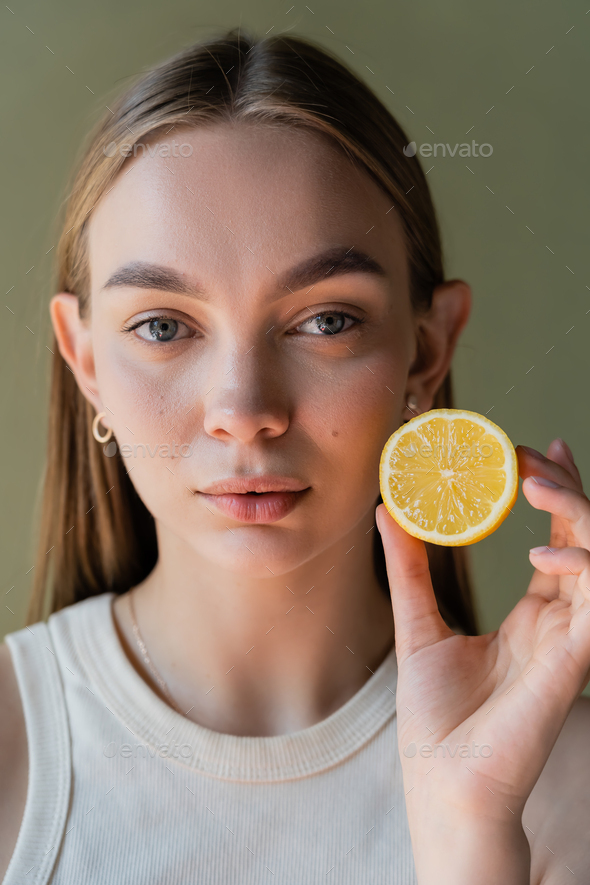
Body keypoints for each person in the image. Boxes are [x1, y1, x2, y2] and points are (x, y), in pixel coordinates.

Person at [0, 27, 589, 885]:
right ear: (86, 361)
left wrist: (472, 834)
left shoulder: (565, 786)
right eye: (162, 326)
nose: (245, 412)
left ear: (427, 350)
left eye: (326, 320)